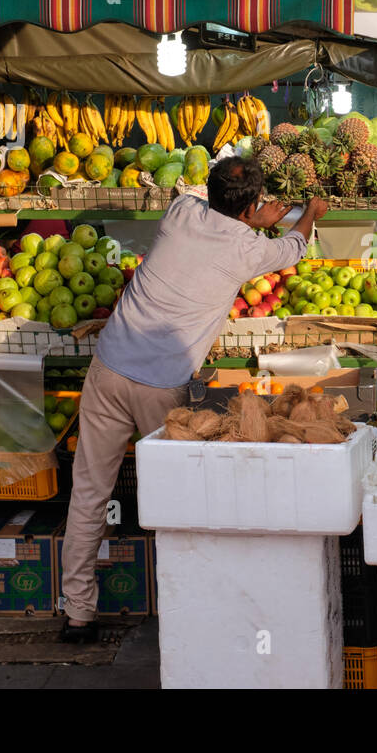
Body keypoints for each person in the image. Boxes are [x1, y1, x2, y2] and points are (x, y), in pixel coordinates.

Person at [60, 160, 328, 641]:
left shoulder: (181, 210)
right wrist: (309, 211)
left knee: (89, 493)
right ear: (251, 206)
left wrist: (252, 219)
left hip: (108, 366)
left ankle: (77, 614)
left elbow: (222, 215)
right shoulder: (248, 250)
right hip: (162, 386)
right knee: (179, 497)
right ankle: (186, 609)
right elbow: (294, 247)